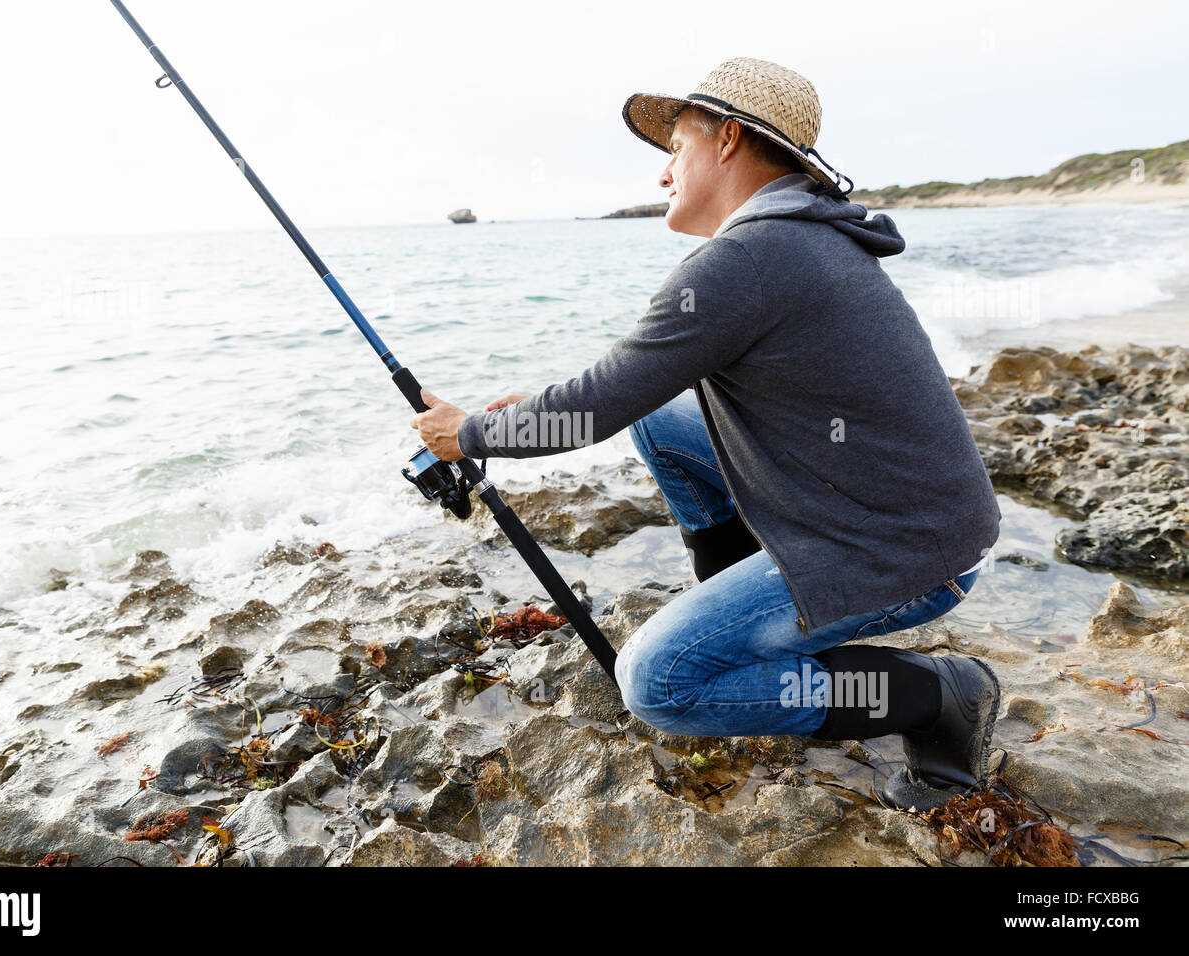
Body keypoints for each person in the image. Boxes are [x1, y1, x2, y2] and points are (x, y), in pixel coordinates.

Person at [411, 58, 1002, 810]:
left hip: (904, 551)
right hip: (890, 513)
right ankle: (746, 610)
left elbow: (590, 409)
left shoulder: (751, 256)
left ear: (728, 141)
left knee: (658, 682)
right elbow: (626, 391)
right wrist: (516, 416)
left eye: (675, 149)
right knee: (659, 422)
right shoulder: (795, 237)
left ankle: (933, 695)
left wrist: (473, 433)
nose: (664, 175)